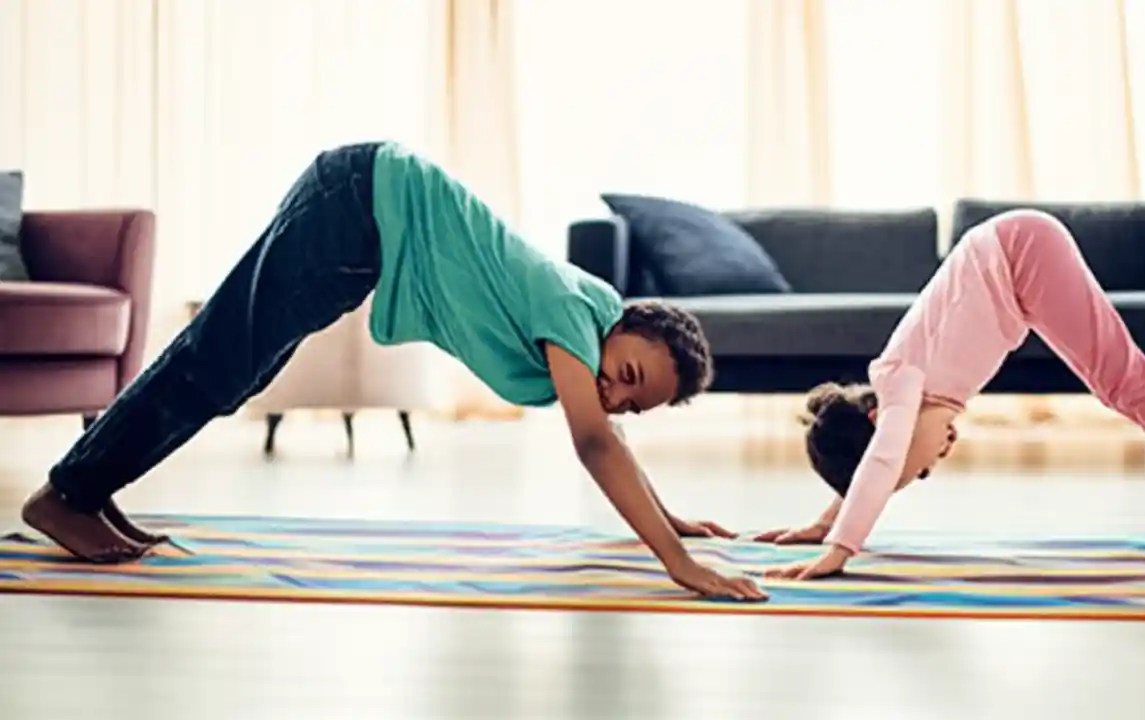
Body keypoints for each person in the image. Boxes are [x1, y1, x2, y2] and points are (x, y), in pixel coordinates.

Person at [20, 141, 767, 603]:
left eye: (634, 403)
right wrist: (678, 563)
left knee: (229, 371)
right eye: (627, 375)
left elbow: (611, 435)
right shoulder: (578, 317)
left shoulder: (598, 316)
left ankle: (92, 489)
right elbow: (595, 444)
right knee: (215, 362)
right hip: (359, 206)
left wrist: (669, 518)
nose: (613, 396)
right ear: (624, 325)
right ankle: (70, 493)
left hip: (361, 212)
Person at [755, 210, 1145, 580]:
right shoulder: (900, 389)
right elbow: (879, 461)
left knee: (1126, 382)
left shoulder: (899, 383)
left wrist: (840, 549)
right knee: (1121, 385)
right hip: (1015, 255)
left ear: (874, 424)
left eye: (924, 470)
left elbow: (884, 459)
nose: (939, 457)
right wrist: (826, 523)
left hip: (1019, 250)